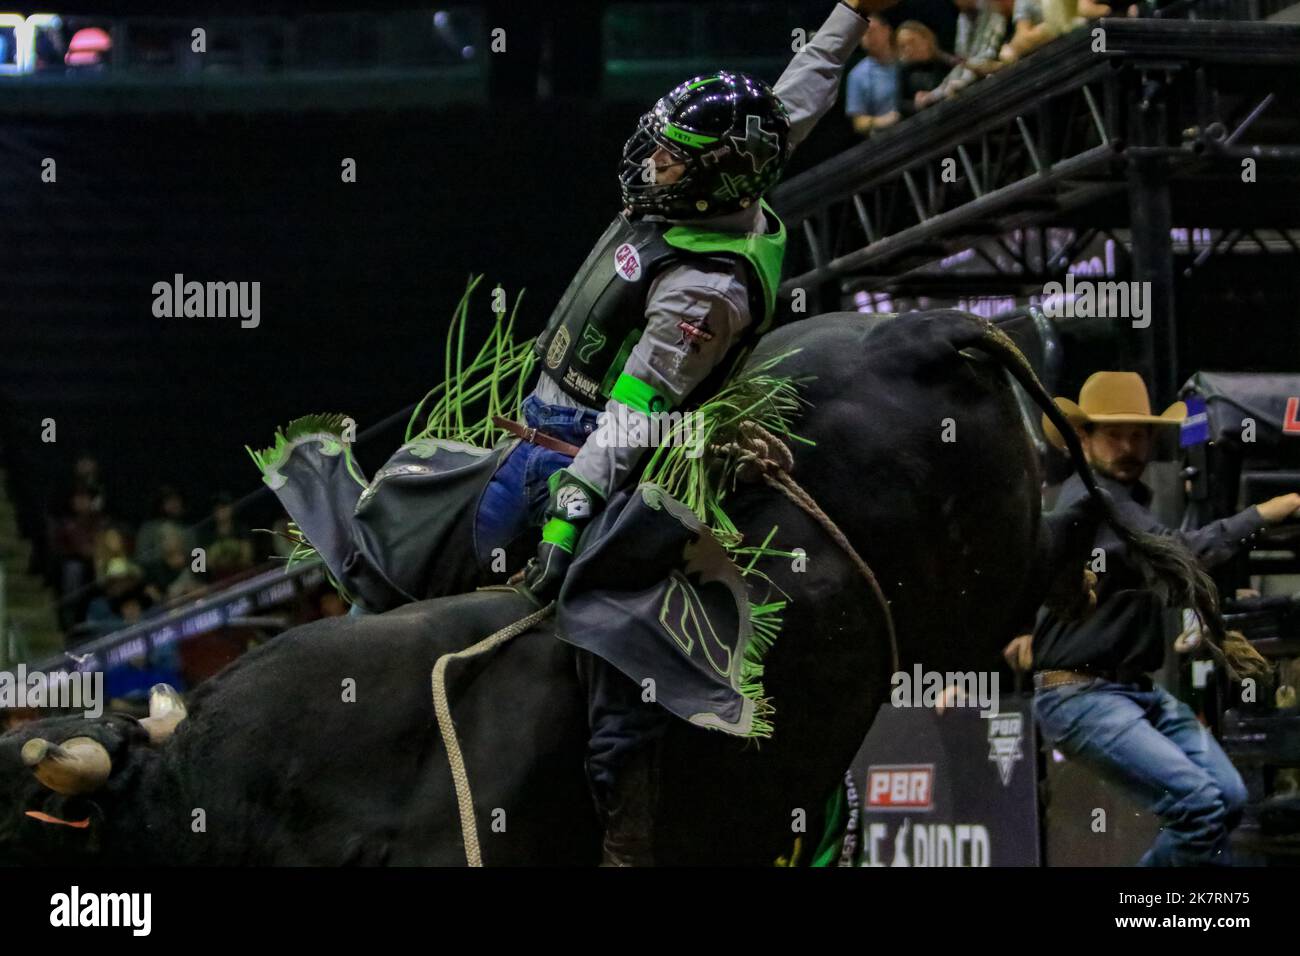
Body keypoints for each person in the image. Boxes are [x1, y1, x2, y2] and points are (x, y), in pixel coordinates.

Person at [470, 0, 879, 864]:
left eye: (671, 158)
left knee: (611, 635)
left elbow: (635, 410)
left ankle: (627, 829)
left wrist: (571, 509)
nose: (651, 164)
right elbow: (789, 103)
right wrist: (850, 15)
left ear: (721, 180)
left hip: (586, 449)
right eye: (658, 146)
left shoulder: (704, 292)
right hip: (551, 417)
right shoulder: (728, 180)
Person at [1019, 371, 1300, 865]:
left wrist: (1204, 625)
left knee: (1226, 799)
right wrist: (1265, 513)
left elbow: (1162, 577)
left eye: (1139, 434)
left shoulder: (1123, 506)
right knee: (1198, 804)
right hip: (1081, 694)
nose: (1129, 446)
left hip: (1130, 691)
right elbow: (1182, 553)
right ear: (1082, 439)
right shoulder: (1095, 500)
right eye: (1115, 434)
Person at [845, 13, 900, 136]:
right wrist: (884, 120)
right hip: (890, 139)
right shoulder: (857, 75)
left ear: (887, 30)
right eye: (863, 34)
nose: (868, 37)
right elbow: (858, 122)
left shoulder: (906, 60)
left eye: (872, 31)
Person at [892, 21, 953, 116]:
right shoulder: (904, 72)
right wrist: (916, 104)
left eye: (912, 42)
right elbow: (900, 105)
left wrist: (934, 95)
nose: (908, 49)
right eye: (903, 46)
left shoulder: (945, 60)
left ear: (926, 40)